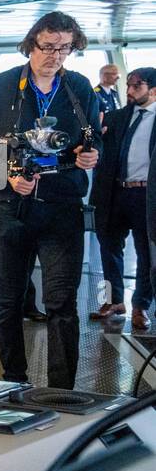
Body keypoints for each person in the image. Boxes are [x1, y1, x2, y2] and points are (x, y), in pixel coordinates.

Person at [0, 11, 102, 390]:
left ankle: (62, 391)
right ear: (31, 43)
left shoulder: (79, 88)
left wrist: (93, 156)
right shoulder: (1, 86)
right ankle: (14, 382)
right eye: (48, 47)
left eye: (64, 48)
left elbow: (94, 142)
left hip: (62, 208)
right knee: (8, 301)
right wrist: (10, 176)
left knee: (61, 302)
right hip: (11, 209)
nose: (55, 56)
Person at [89, 67, 156, 331]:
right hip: (114, 192)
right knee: (107, 247)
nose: (128, 91)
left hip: (146, 196)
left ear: (153, 89)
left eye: (136, 86)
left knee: (146, 253)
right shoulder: (117, 117)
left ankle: (141, 305)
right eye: (127, 85)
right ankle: (113, 301)